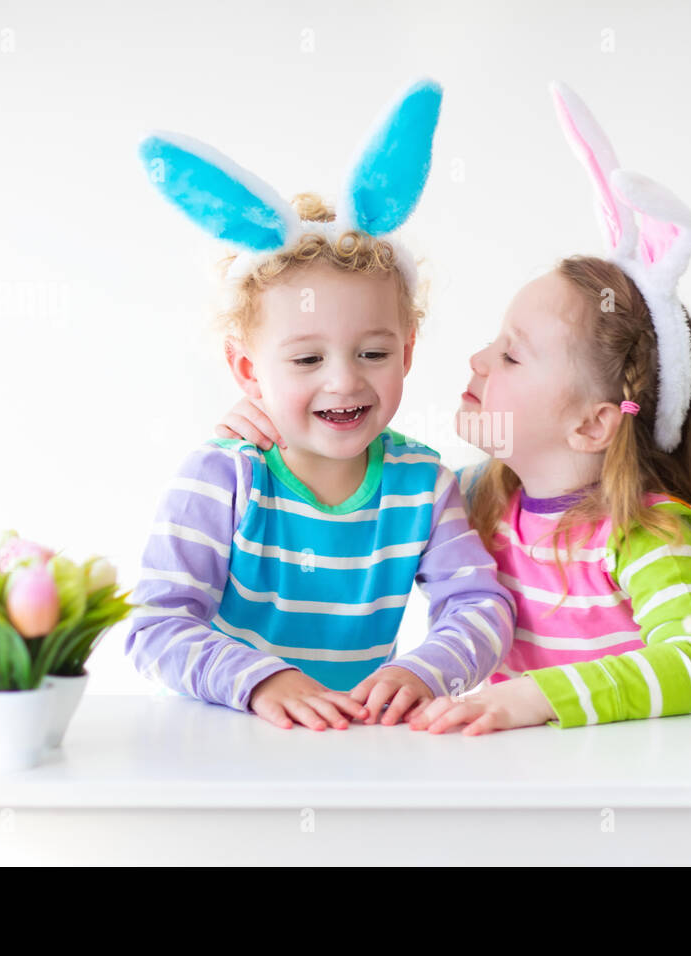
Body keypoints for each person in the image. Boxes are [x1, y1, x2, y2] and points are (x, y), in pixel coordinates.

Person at [214, 81, 691, 734]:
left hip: (627, 800)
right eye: (494, 342)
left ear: (593, 423)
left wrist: (535, 698)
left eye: (512, 355)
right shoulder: (476, 500)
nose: (477, 360)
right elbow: (358, 493)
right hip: (512, 789)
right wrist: (270, 430)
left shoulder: (645, 532)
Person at [127, 79, 515, 731]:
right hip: (229, 747)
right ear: (247, 370)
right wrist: (261, 681)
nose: (344, 383)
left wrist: (423, 670)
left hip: (356, 753)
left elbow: (481, 606)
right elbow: (156, 627)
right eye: (308, 360)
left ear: (408, 352)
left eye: (372, 353)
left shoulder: (421, 484)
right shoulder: (223, 476)